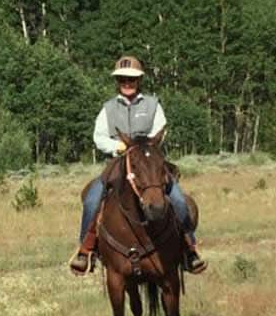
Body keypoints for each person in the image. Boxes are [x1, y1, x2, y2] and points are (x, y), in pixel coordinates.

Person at [69, 55, 205, 275]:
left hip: (149, 162)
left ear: (139, 80)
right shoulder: (108, 108)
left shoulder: (153, 105)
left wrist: (144, 146)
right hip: (119, 161)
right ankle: (85, 250)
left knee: (179, 200)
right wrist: (119, 146)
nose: (127, 83)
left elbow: (161, 128)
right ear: (117, 81)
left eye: (131, 79)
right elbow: (99, 137)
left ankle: (190, 249)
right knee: (93, 198)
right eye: (122, 79)